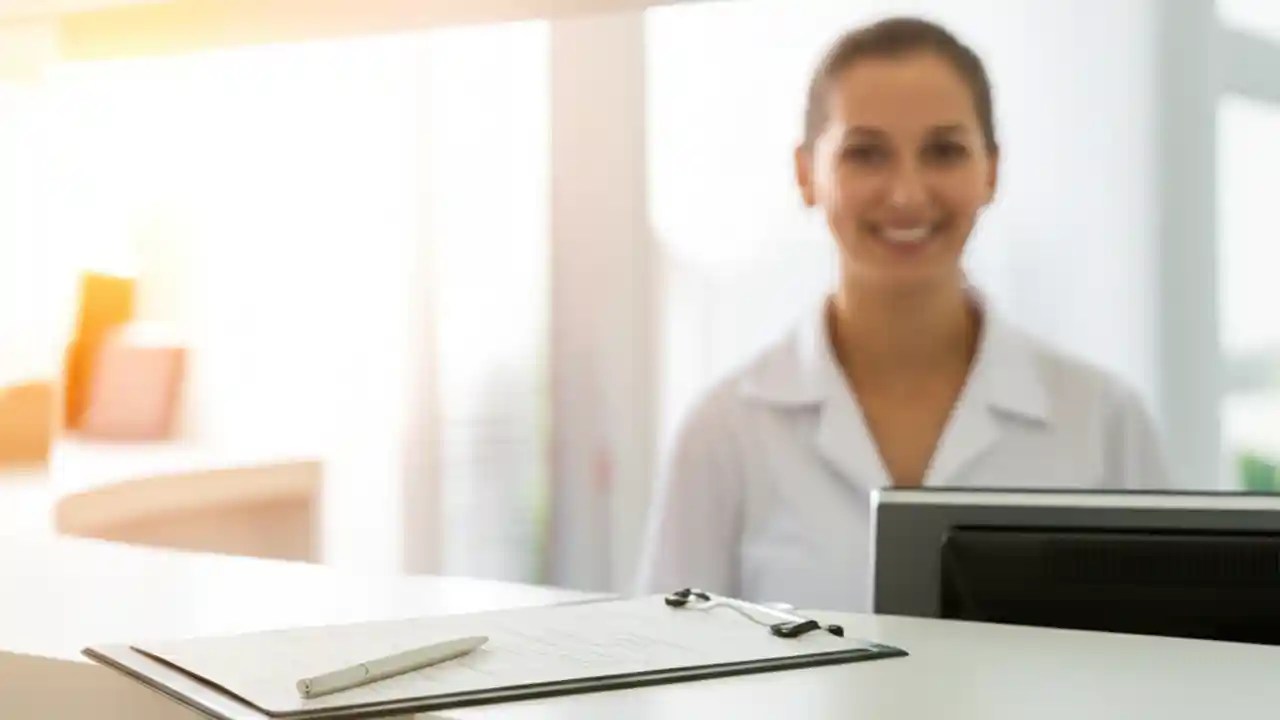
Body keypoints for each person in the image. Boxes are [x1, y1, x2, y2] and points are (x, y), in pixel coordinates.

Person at [636, 17, 1168, 611]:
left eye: (944, 151)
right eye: (866, 154)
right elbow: (665, 678)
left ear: (990, 171)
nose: (907, 194)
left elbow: (1165, 671)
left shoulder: (1104, 423)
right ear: (807, 174)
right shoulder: (725, 433)